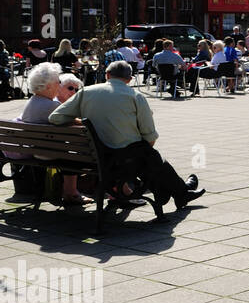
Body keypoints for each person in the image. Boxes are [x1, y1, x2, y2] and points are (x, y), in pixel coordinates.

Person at [48, 59, 204, 213]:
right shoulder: (135, 96)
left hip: (90, 158)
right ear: (129, 79)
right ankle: (179, 192)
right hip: (120, 161)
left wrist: (85, 123)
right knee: (150, 157)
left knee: (148, 157)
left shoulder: (86, 92)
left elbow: (55, 117)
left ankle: (177, 192)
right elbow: (150, 137)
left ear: (107, 75)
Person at [14, 63, 88, 205]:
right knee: (79, 154)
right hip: (51, 153)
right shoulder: (52, 105)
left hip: (37, 150)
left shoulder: (32, 101)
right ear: (48, 86)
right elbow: (77, 123)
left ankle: (69, 192)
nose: (59, 85)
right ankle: (71, 193)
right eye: (58, 82)